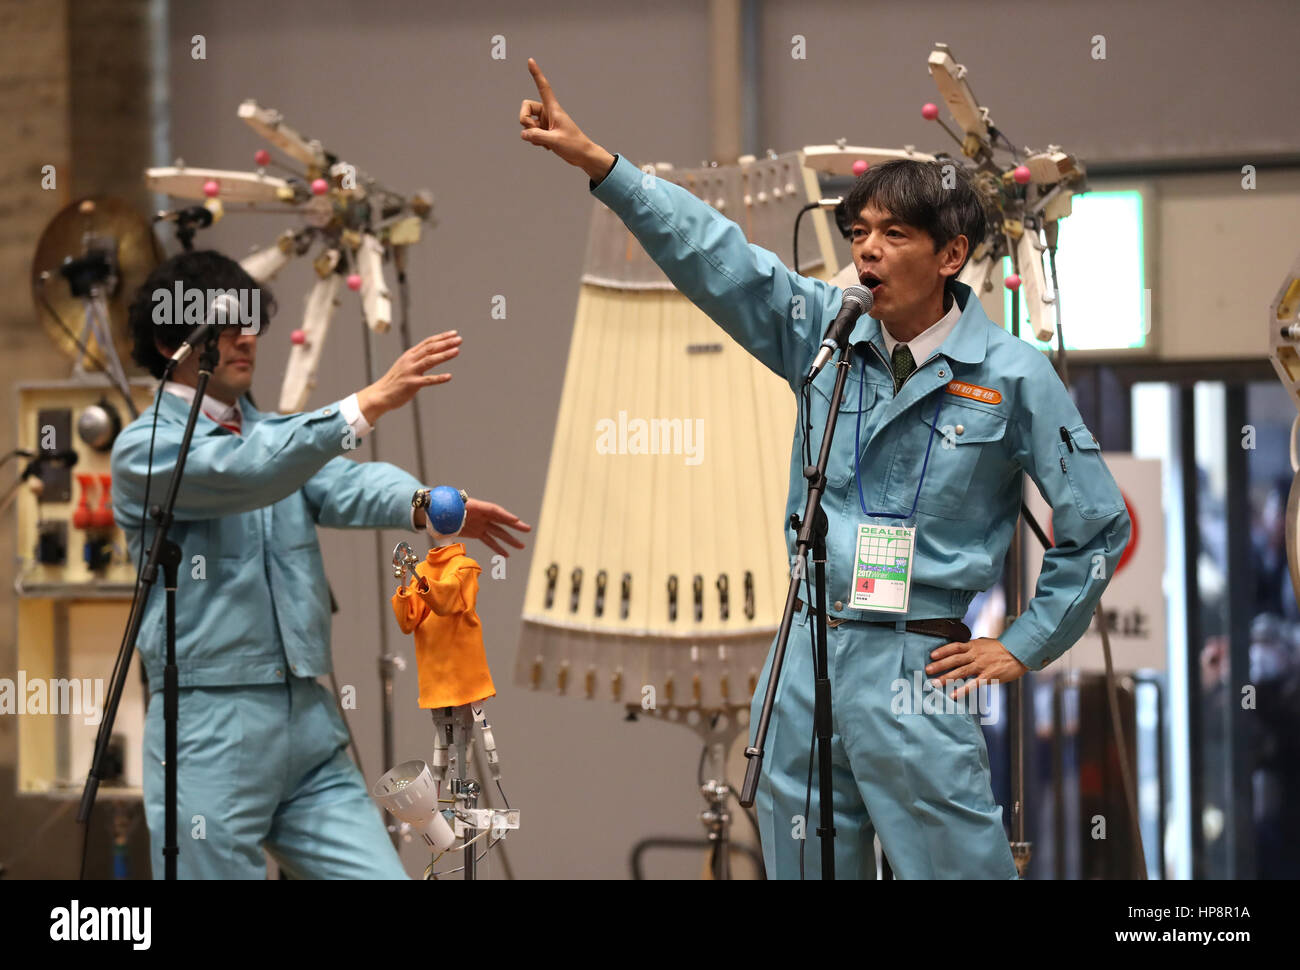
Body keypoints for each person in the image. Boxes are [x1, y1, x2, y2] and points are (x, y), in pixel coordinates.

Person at [518, 59, 1131, 879]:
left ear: (952, 255)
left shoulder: (1013, 376)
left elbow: (1097, 526)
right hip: (805, 654)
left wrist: (1023, 644)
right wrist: (605, 167)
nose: (867, 252)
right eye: (858, 234)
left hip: (918, 667)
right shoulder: (824, 335)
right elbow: (716, 256)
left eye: (893, 235)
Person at [111, 250, 531, 879]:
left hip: (306, 720)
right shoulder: (145, 451)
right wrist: (366, 404)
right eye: (228, 324)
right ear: (174, 337)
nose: (248, 337)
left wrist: (429, 506)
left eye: (252, 322)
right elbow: (248, 471)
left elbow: (346, 486)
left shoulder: (277, 439)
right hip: (209, 723)